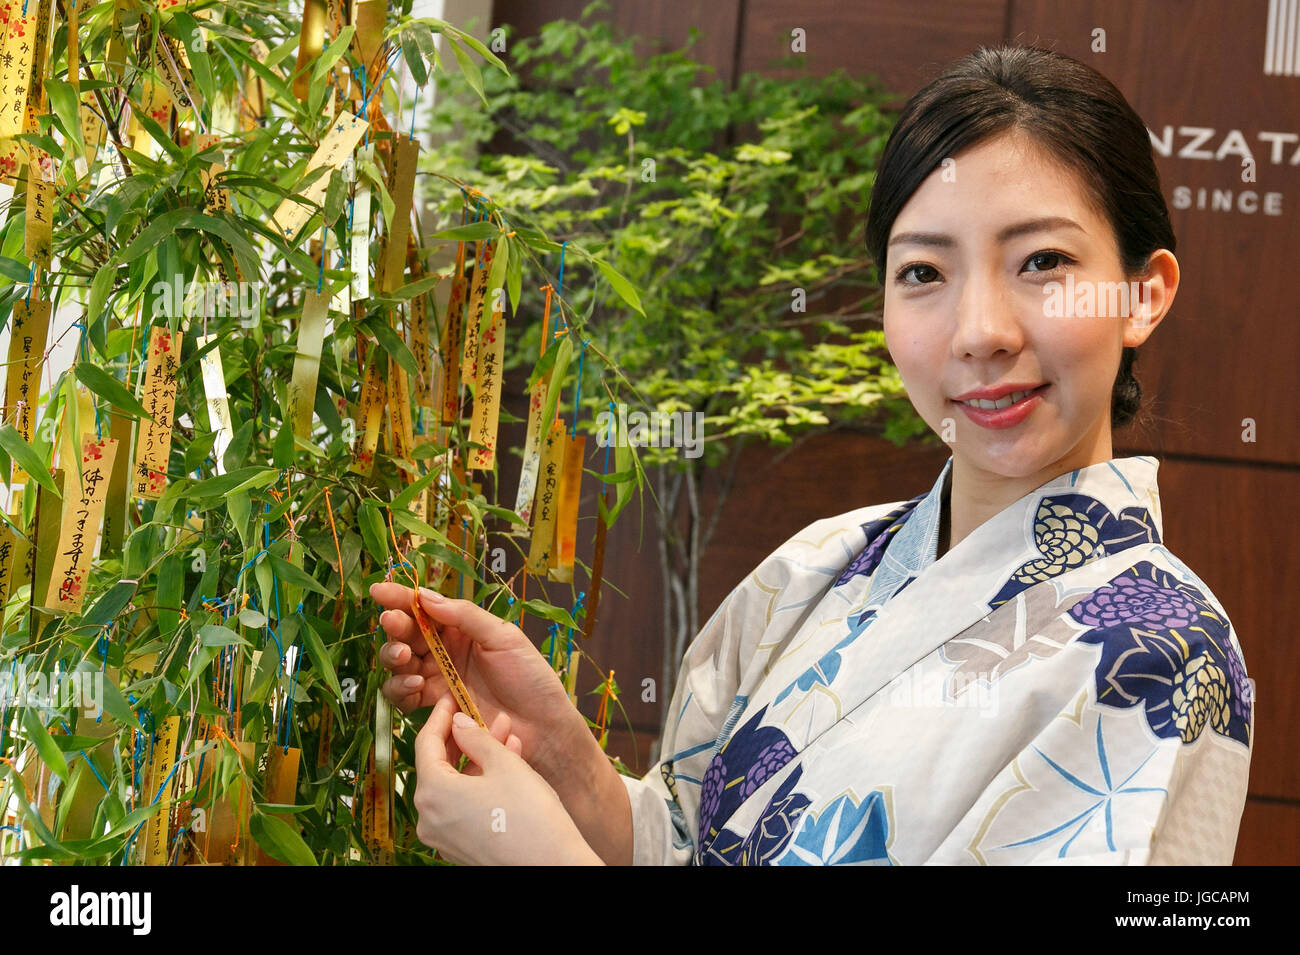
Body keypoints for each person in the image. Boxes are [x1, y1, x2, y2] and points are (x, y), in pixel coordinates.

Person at [370, 44, 1253, 865]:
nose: (981, 331)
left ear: (1144, 294)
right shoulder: (815, 571)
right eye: (923, 272)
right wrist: (562, 755)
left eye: (1042, 261)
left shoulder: (1164, 649)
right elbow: (681, 845)